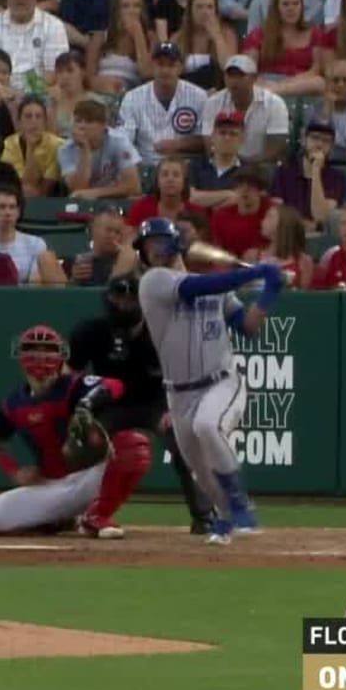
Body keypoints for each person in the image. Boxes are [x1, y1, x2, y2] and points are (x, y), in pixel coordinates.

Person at [135, 217, 284, 545]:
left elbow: (247, 327)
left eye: (160, 241)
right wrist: (257, 272)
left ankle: (241, 505)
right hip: (178, 393)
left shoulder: (214, 286)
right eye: (148, 246)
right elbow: (195, 288)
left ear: (174, 243)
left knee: (208, 426)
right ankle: (227, 517)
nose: (155, 250)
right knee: (200, 470)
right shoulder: (153, 282)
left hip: (221, 382)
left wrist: (269, 294)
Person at [68, 274, 215, 537]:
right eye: (118, 297)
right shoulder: (90, 331)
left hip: (157, 403)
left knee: (184, 440)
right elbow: (70, 376)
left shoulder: (168, 332)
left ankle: (204, 516)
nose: (124, 304)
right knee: (79, 441)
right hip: (110, 403)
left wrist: (176, 410)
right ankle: (67, 513)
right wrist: (80, 410)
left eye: (130, 297)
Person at [0, 324, 131, 538]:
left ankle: (96, 516)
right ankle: (58, 520)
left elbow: (115, 386)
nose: (41, 356)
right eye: (33, 349)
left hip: (88, 478)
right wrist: (13, 470)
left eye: (47, 349)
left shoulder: (73, 386)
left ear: (60, 355)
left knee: (132, 443)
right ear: (21, 355)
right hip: (50, 486)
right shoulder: (14, 403)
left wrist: (87, 403)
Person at [116, 42, 207, 167]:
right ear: (152, 66)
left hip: (186, 166)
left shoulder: (199, 96)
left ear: (180, 68)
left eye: (171, 65)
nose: (165, 70)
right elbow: (124, 140)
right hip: (146, 166)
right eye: (160, 64)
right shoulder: (132, 97)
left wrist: (178, 145)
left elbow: (207, 139)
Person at [0, 185, 65, 285]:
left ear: (18, 212)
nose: (7, 212)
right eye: (1, 207)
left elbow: (34, 286)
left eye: (12, 207)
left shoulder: (36, 244)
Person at [200, 56, 289, 164]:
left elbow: (276, 145)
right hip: (224, 164)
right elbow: (210, 142)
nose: (234, 81)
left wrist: (246, 165)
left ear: (254, 78)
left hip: (261, 166)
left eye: (240, 76)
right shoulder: (213, 103)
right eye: (230, 76)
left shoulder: (274, 103)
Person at [243, 0, 323, 97]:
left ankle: (274, 92)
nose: (291, 8)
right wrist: (262, 82)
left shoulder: (315, 33)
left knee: (319, 82)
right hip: (266, 80)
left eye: (296, 4)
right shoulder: (259, 34)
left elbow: (316, 69)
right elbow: (249, 68)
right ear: (276, 7)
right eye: (285, 4)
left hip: (300, 82)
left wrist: (285, 84)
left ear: (302, 6)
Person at [59, 98, 141, 200]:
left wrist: (96, 193)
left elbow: (134, 187)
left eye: (89, 121)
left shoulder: (119, 141)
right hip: (84, 204)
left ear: (104, 125)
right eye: (78, 121)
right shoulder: (66, 149)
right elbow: (78, 189)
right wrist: (85, 150)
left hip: (118, 200)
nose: (82, 126)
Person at [87, 0, 154, 96]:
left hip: (131, 94)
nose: (132, 11)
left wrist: (138, 34)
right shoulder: (101, 37)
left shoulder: (150, 38)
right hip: (101, 91)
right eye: (125, 6)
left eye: (137, 6)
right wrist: (104, 84)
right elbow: (89, 78)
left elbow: (146, 73)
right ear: (116, 11)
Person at [168, 0, 235, 91]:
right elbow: (170, 73)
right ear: (190, 10)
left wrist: (217, 37)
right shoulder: (178, 38)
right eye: (199, 7)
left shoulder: (227, 34)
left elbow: (229, 67)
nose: (205, 12)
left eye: (210, 7)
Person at [0, 96, 60, 198]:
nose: (34, 121)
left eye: (38, 116)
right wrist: (30, 147)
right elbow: (27, 184)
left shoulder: (57, 145)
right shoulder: (8, 145)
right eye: (28, 116)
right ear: (19, 121)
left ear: (45, 121)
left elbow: (44, 189)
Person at [70, 206, 140, 285]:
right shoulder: (81, 262)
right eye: (108, 230)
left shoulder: (131, 262)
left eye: (118, 232)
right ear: (93, 231)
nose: (113, 235)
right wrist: (74, 281)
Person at [258, 202, 312, 287]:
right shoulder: (254, 256)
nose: (262, 220)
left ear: (283, 223)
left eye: (269, 216)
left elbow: (304, 297)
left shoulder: (303, 261)